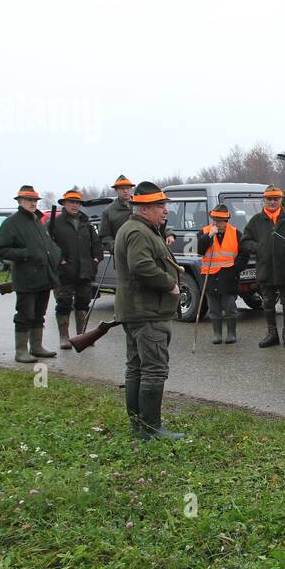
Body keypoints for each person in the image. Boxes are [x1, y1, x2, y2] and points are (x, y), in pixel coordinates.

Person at [114, 182, 183, 440]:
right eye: (159, 206)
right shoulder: (139, 232)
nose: (165, 211)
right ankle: (151, 429)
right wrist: (170, 284)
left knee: (136, 368)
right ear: (143, 208)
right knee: (153, 369)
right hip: (148, 312)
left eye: (164, 206)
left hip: (139, 311)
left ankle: (139, 425)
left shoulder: (138, 228)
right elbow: (141, 266)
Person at [0, 185, 62, 363]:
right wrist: (26, 254)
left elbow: (47, 244)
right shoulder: (11, 223)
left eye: (34, 200)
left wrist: (55, 254)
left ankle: (37, 347)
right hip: (26, 278)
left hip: (44, 276)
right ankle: (21, 351)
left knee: (39, 314)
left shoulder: (35, 221)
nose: (33, 203)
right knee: (25, 315)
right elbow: (1, 250)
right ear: (20, 201)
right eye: (29, 200)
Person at [241, 185, 285, 348]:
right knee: (268, 302)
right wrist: (258, 247)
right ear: (264, 200)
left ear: (281, 199)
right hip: (266, 269)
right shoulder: (256, 220)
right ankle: (272, 334)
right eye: (269, 199)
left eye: (276, 198)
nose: (272, 202)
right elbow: (244, 242)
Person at [51, 187, 102, 350]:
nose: (75, 205)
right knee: (64, 303)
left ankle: (82, 336)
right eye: (71, 202)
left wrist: (96, 258)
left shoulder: (86, 223)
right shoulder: (55, 223)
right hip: (64, 272)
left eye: (77, 203)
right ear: (64, 204)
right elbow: (50, 246)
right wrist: (61, 261)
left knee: (83, 303)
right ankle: (64, 338)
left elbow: (96, 243)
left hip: (85, 270)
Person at [198, 203, 243, 345]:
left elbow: (244, 254)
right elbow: (200, 250)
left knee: (230, 306)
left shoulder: (236, 233)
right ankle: (217, 334)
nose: (216, 223)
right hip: (210, 276)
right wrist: (208, 236)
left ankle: (231, 333)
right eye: (214, 219)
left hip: (228, 276)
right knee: (213, 307)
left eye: (219, 220)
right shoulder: (204, 232)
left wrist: (236, 269)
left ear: (226, 221)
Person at [98, 175, 136, 252]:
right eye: (122, 189)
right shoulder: (108, 212)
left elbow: (154, 221)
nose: (125, 191)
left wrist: (167, 233)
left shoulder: (140, 205)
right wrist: (116, 248)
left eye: (128, 188)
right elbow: (105, 236)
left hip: (144, 250)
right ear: (116, 190)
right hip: (123, 256)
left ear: (131, 189)